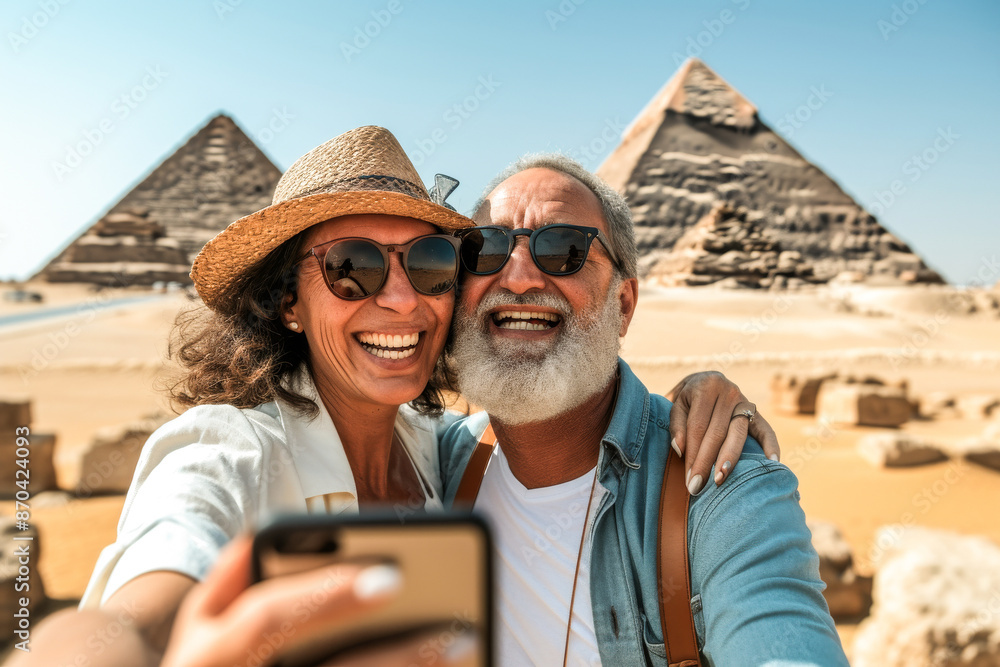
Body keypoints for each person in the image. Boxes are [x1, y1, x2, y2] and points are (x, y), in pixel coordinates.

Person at [13, 127, 773, 667]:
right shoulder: (229, 450)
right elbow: (132, 619)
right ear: (287, 300)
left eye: (433, 262)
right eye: (354, 268)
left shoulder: (445, 451)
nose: (404, 301)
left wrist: (693, 399)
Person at [436, 155, 851, 665]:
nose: (518, 278)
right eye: (484, 249)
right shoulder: (437, 460)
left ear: (624, 305)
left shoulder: (721, 491)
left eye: (564, 250)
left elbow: (777, 627)